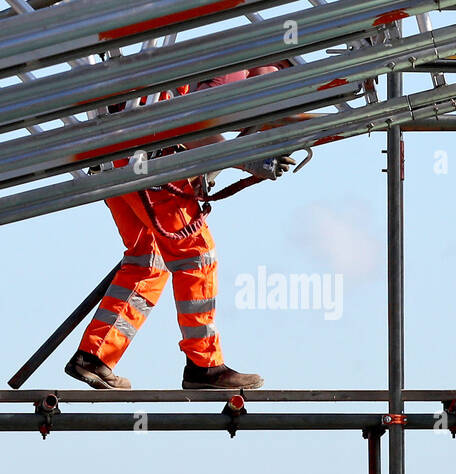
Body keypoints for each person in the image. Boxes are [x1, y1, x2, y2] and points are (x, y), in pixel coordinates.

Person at [65, 66, 296, 391]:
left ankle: (96, 356)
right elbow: (188, 125)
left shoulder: (211, 64)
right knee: (196, 256)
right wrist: (247, 159)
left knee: (149, 261)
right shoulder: (236, 67)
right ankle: (205, 366)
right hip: (149, 164)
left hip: (119, 161)